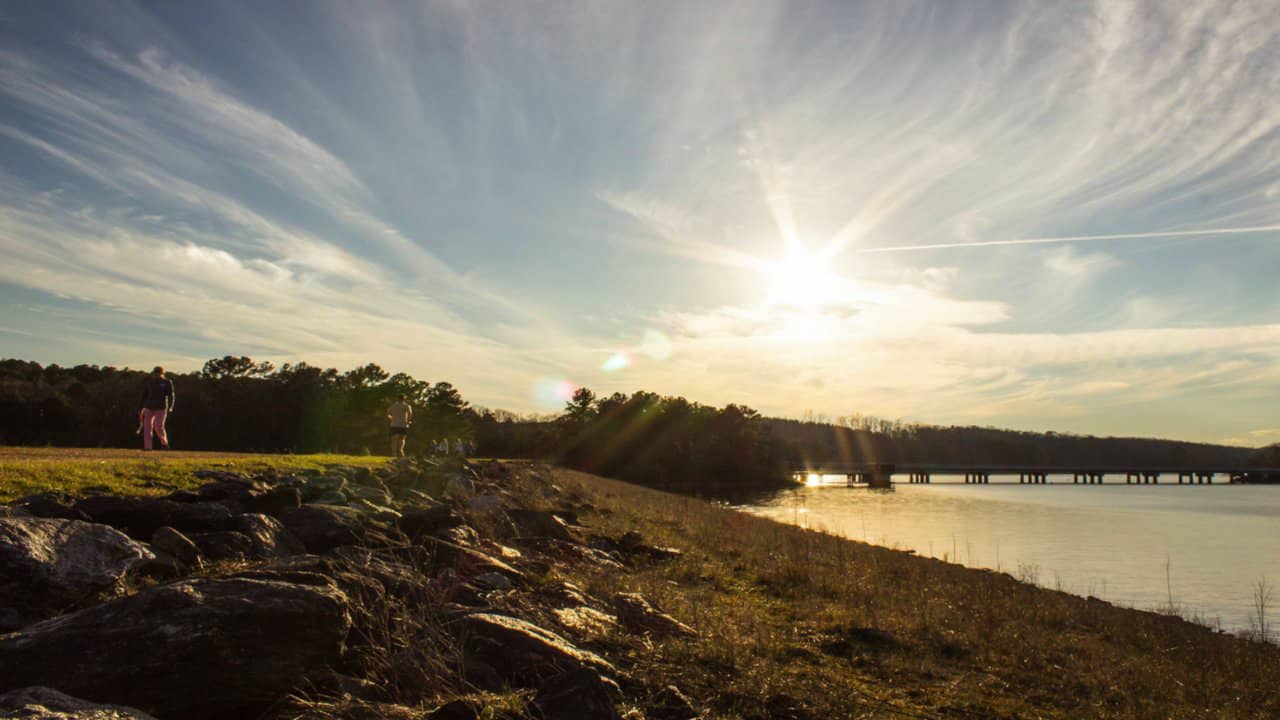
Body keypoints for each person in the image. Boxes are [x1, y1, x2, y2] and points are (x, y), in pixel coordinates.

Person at [138, 366, 175, 450]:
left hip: (161, 408)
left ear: (162, 373)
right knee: (147, 428)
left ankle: (164, 444)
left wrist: (171, 406)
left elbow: (171, 396)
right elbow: (144, 395)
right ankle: (148, 447)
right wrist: (140, 406)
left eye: (158, 373)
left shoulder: (167, 382)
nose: (156, 374)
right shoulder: (149, 382)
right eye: (155, 373)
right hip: (149, 407)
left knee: (159, 426)